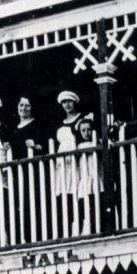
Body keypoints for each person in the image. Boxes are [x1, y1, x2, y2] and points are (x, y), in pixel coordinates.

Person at [54, 91, 91, 234]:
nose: (67, 105)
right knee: (66, 195)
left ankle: (84, 227)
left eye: (69, 101)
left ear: (74, 102)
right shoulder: (60, 123)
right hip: (64, 166)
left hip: (80, 163)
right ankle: (69, 230)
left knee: (80, 193)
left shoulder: (82, 119)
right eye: (64, 102)